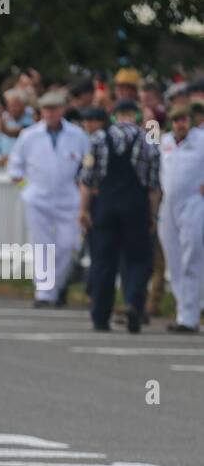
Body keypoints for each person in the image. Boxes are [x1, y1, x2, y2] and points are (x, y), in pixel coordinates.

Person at [79, 99, 160, 333]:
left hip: (105, 204)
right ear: (135, 116)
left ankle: (100, 316)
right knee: (138, 259)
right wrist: (153, 215)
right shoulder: (149, 140)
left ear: (113, 116)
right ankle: (134, 303)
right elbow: (154, 186)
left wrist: (83, 210)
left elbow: (87, 180)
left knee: (103, 261)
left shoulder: (98, 139)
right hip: (136, 206)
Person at [6, 89, 87, 306]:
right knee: (41, 245)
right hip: (38, 198)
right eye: (46, 109)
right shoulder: (29, 135)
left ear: (62, 110)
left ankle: (56, 285)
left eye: (54, 109)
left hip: (67, 197)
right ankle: (44, 292)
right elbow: (15, 168)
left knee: (68, 244)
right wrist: (27, 188)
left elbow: (86, 167)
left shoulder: (77, 136)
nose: (50, 114)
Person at [157, 104, 204, 334]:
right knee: (174, 261)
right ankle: (183, 309)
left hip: (194, 202)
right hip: (169, 205)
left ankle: (190, 316)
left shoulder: (201, 140)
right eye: (176, 121)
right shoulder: (164, 142)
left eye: (184, 120)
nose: (180, 124)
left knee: (191, 258)